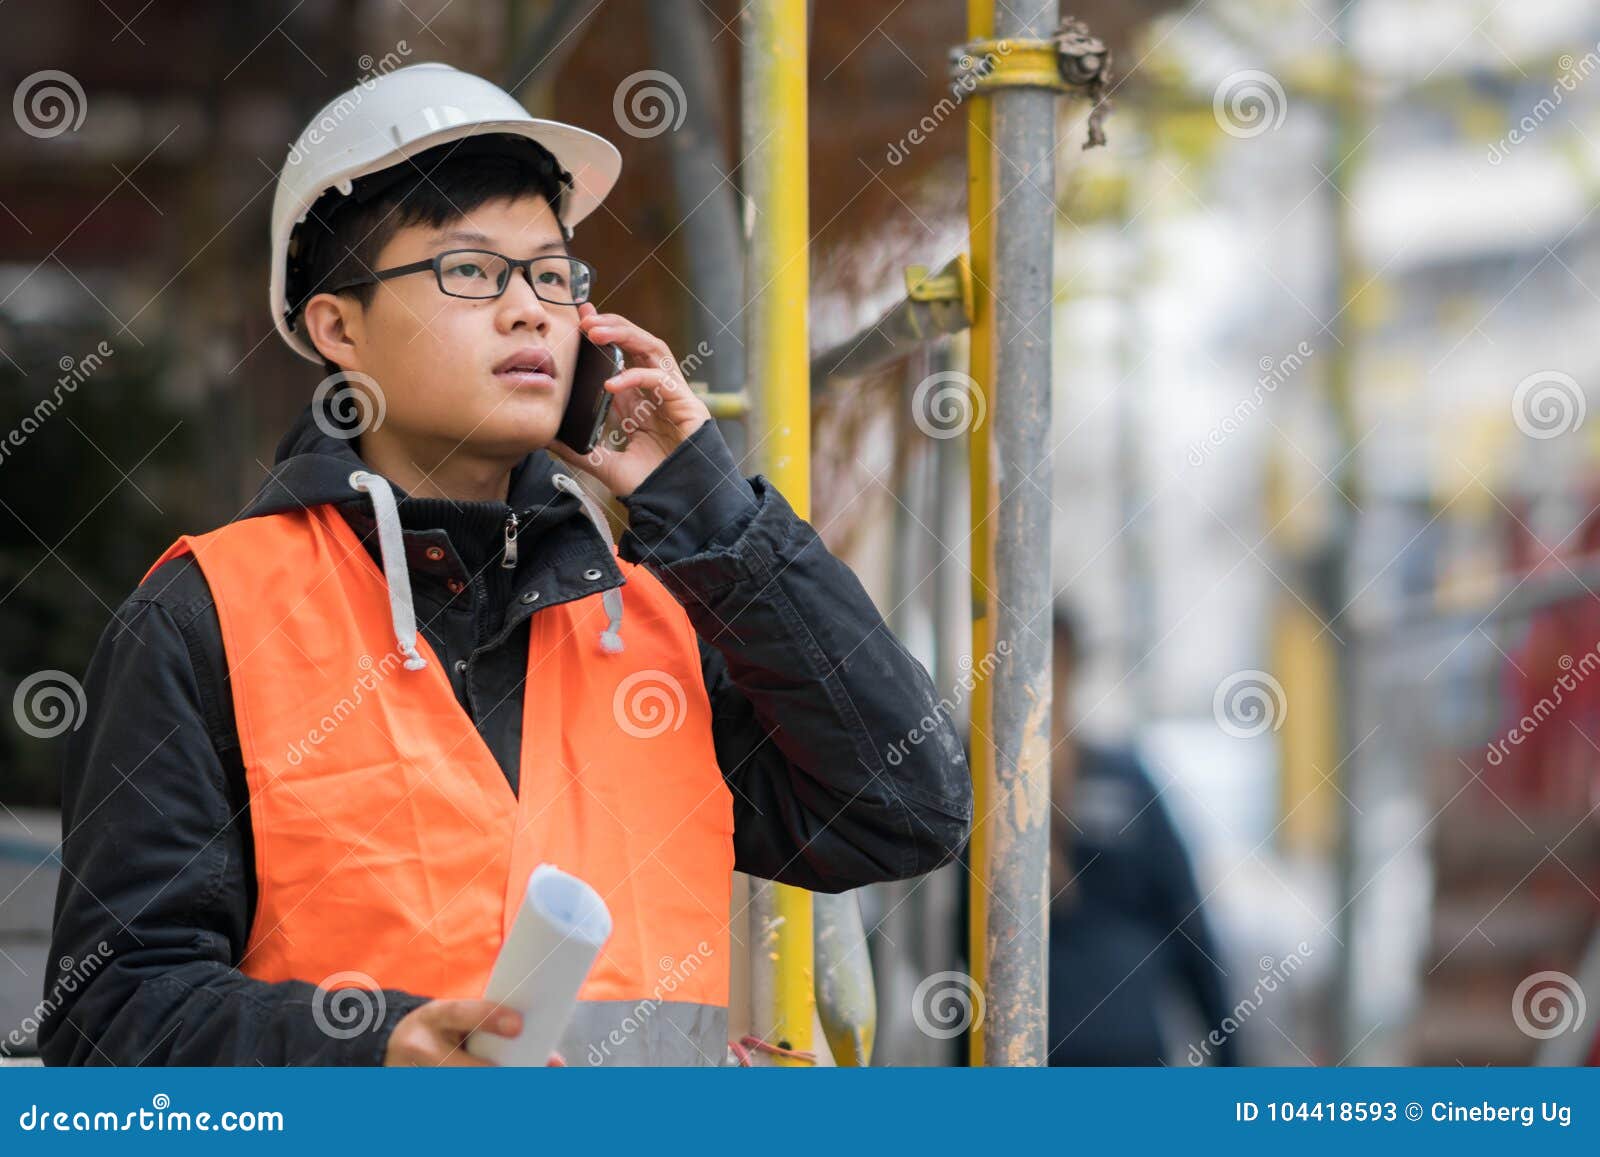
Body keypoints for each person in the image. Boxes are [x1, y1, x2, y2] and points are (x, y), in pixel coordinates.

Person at [40, 63, 972, 1067]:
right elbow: (113, 1016)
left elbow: (905, 808)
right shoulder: (204, 617)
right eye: (472, 271)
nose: (530, 309)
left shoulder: (658, 611)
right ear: (338, 326)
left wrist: (702, 500)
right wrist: (370, 1050)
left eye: (552, 275)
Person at [1043, 608, 1236, 1066]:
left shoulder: (966, 782)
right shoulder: (1124, 780)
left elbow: (1187, 919)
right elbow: (1188, 920)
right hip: (1119, 1038)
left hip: (1036, 1041)